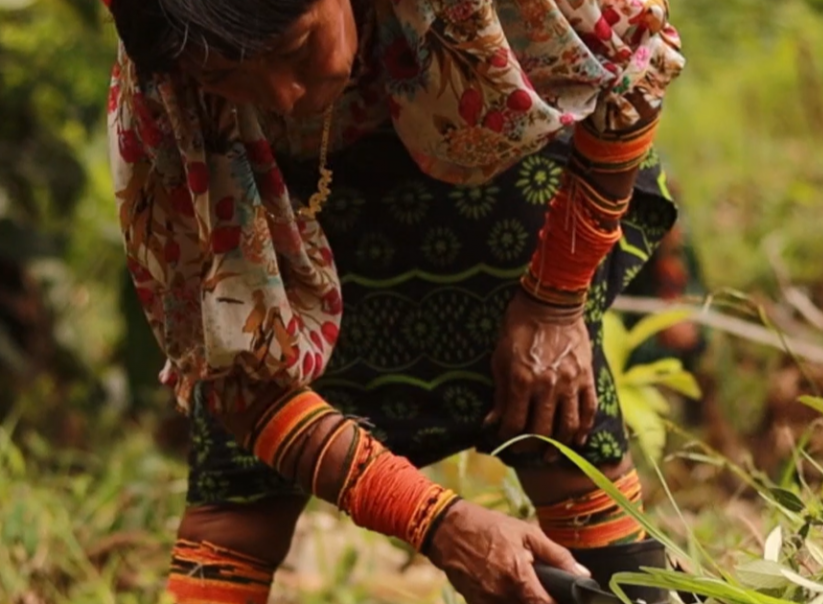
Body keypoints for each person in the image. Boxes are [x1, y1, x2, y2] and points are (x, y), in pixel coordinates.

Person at [103, 0, 685, 602]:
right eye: (225, 74)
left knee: (555, 415)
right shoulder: (164, 90)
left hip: (495, 158)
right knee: (240, 491)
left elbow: (634, 69)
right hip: (274, 194)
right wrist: (435, 521)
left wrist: (555, 303)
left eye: (295, 48)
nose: (285, 95)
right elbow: (240, 380)